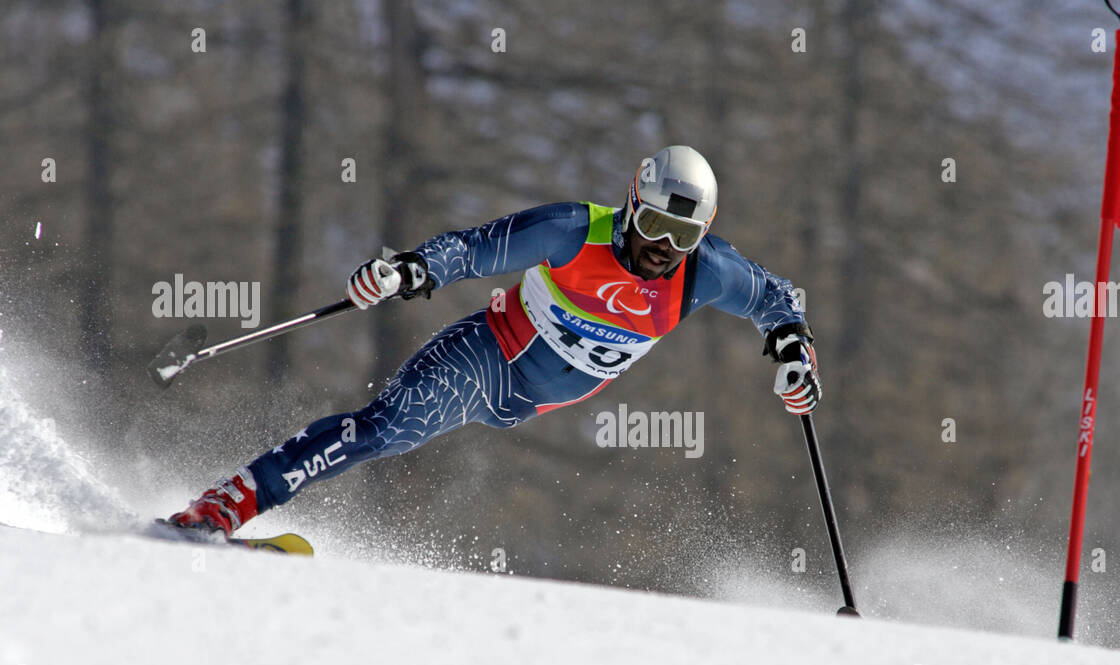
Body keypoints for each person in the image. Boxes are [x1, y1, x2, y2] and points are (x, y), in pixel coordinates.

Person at [166, 145, 821, 535]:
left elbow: (779, 301)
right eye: (652, 225)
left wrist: (794, 354)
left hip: (531, 405)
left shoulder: (708, 273)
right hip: (490, 357)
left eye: (682, 237)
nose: (661, 249)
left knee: (398, 437)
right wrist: (407, 270)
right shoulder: (573, 230)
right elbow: (473, 251)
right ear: (631, 203)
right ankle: (234, 500)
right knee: (389, 429)